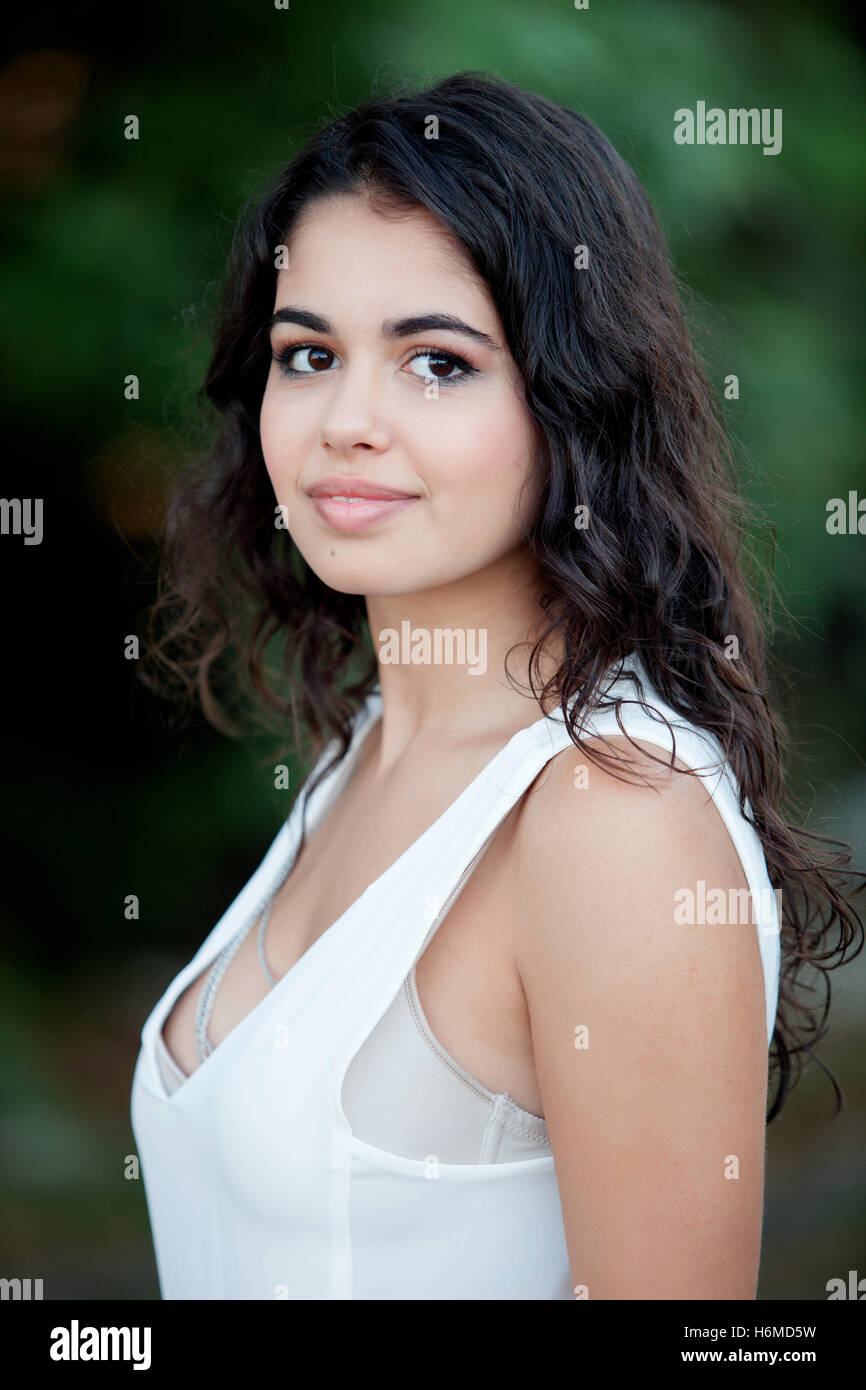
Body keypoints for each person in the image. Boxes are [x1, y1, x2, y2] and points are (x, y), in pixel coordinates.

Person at [131, 71, 861, 1300]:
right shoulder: (367, 743)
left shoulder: (615, 818)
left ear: (574, 397)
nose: (347, 419)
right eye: (307, 353)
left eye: (437, 361)